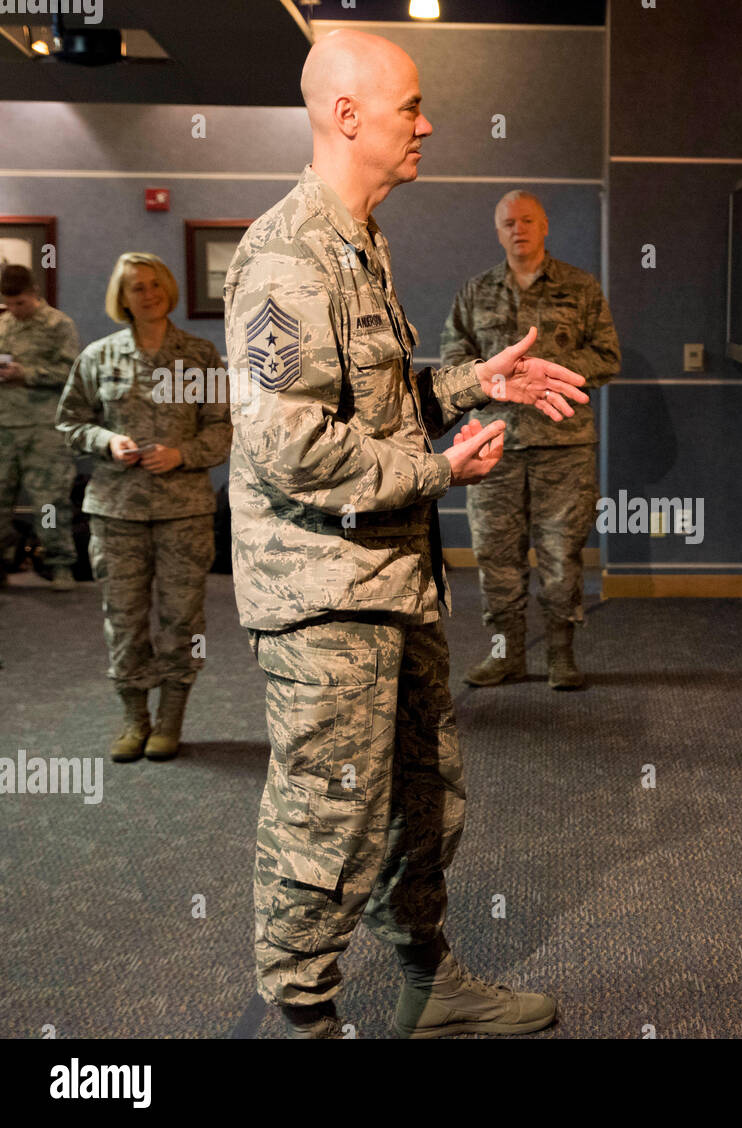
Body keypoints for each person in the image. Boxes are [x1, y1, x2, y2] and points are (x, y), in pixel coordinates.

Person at [224, 29, 589, 1039]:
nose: (427, 123)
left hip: (391, 580)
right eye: (412, 108)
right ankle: (295, 1018)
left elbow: (374, 403)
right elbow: (290, 442)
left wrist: (479, 382)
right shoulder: (286, 255)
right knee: (327, 817)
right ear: (347, 117)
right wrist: (439, 470)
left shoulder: (359, 240)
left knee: (426, 797)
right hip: (325, 592)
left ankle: (427, 983)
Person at [441, 191, 619, 690]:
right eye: (507, 223)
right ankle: (506, 655)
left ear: (544, 227)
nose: (517, 229)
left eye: (526, 220)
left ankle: (562, 656)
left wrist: (547, 375)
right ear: (498, 231)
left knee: (562, 557)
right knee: (497, 557)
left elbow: (607, 357)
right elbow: (455, 360)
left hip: (564, 447)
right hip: (493, 444)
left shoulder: (581, 288)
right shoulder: (474, 292)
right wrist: (499, 379)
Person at [56, 253, 231, 763]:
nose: (147, 293)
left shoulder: (198, 356)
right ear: (122, 296)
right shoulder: (97, 357)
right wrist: (107, 442)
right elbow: (70, 423)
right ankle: (135, 719)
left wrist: (182, 454)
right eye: (136, 287)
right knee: (124, 619)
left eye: (155, 284)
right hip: (116, 510)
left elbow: (222, 429)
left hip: (184, 511)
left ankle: (171, 720)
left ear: (169, 289)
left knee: (181, 620)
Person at [0, 264, 80, 590]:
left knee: (49, 499)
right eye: (8, 303)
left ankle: (60, 563)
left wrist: (27, 373)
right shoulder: (2, 325)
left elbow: (71, 372)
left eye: (20, 303)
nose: (15, 311)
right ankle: (3, 561)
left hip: (44, 427)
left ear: (34, 293)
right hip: (5, 425)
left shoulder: (59, 325)